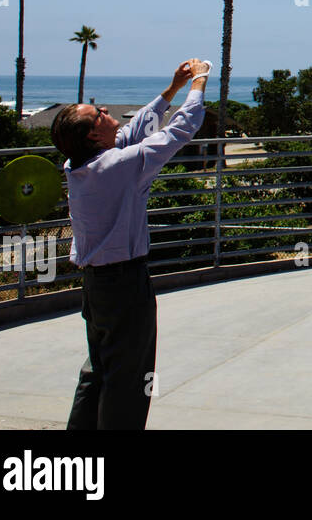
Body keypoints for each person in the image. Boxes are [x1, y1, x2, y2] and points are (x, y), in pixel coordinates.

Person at [48, 59, 210, 430]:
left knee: (99, 369)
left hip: (97, 285)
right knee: (129, 380)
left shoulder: (78, 163)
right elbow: (181, 130)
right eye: (99, 114)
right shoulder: (120, 166)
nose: (106, 111)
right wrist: (199, 82)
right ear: (93, 135)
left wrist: (171, 90)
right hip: (124, 286)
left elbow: (133, 131)